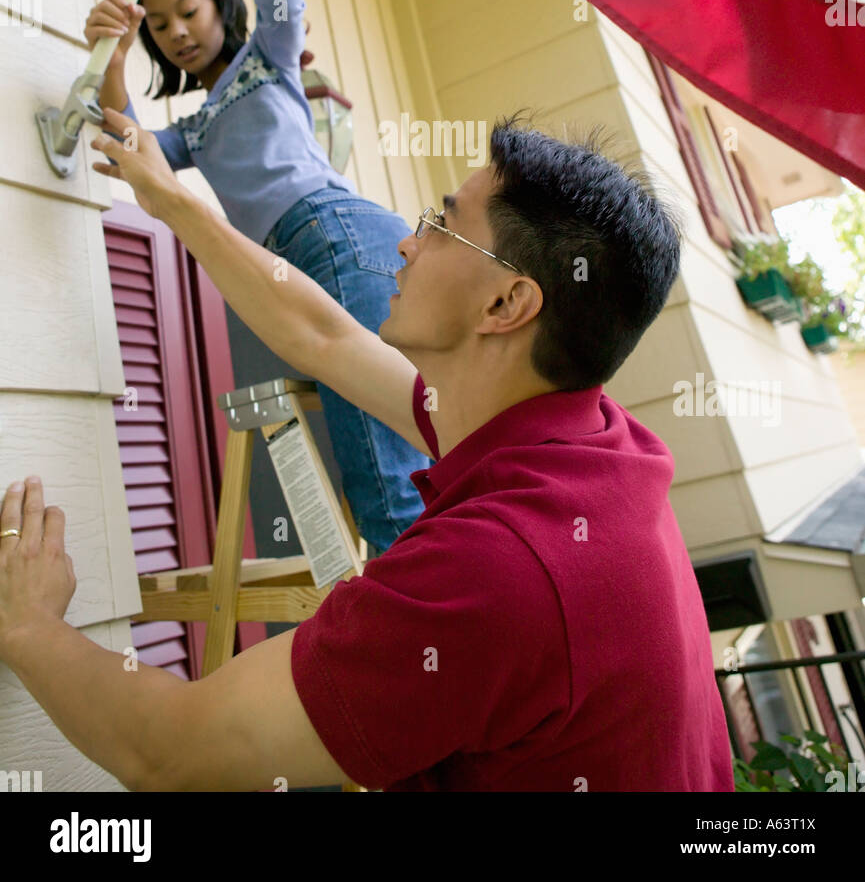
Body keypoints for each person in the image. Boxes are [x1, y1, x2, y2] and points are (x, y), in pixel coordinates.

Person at [0, 114, 735, 792]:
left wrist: (30, 628)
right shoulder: (585, 440)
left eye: (441, 226)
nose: (405, 242)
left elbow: (169, 751)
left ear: (505, 305)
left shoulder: (497, 569)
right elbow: (324, 338)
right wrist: (172, 200)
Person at [82, 0, 430, 554]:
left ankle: (428, 621)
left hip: (335, 233)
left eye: (188, 11)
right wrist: (110, 61)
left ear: (219, 6)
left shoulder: (265, 61)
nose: (177, 31)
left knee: (378, 456)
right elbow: (133, 144)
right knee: (389, 433)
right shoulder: (198, 130)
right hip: (295, 259)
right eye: (160, 28)